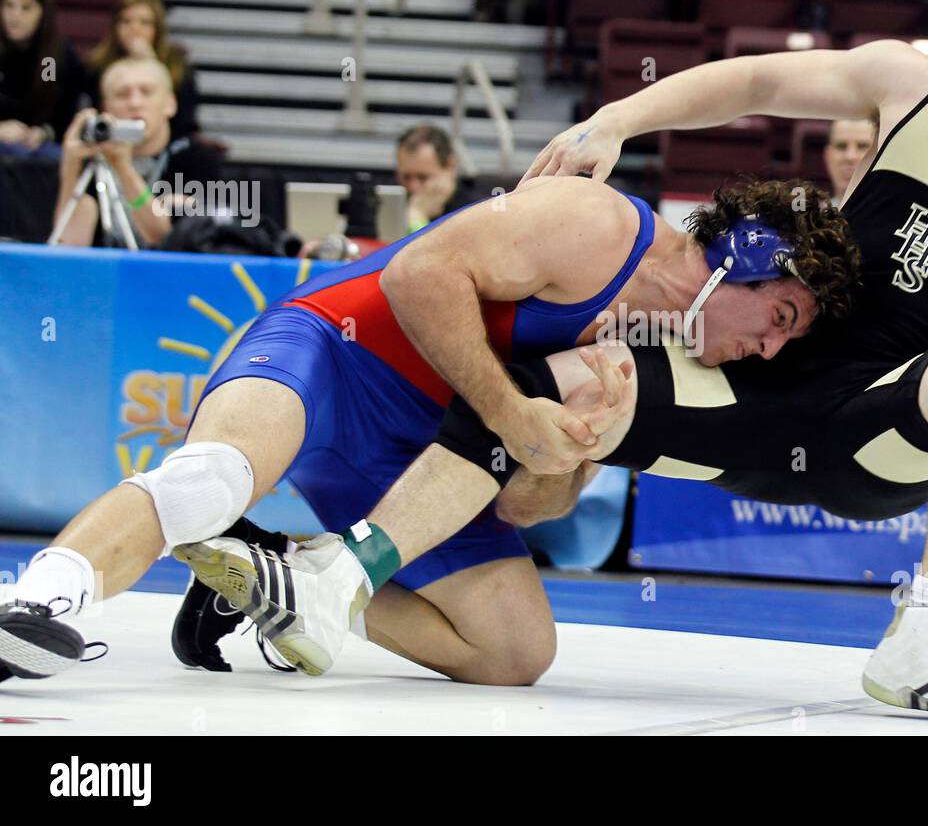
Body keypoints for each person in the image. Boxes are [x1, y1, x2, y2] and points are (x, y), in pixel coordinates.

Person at [205, 0, 928, 729]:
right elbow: (757, 77)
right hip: (762, 383)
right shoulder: (915, 84)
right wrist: (616, 118)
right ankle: (332, 576)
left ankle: (927, 635)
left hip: (880, 429)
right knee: (537, 382)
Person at [0, 176, 858, 685]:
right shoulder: (600, 227)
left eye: (788, 339)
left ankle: (271, 570)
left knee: (516, 651)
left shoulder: (662, 358)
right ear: (745, 255)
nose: (770, 347)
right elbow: (420, 271)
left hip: (410, 446)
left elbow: (527, 508)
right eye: (780, 315)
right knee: (211, 477)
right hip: (333, 352)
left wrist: (567, 456)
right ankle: (42, 599)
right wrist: (511, 411)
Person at [52, 56, 225, 247]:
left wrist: (123, 168)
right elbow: (68, 245)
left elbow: (165, 237)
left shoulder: (195, 158)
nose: (134, 103)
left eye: (146, 92)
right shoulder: (93, 161)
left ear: (170, 104)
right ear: (106, 108)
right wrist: (70, 167)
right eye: (122, 94)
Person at [85, 0, 201, 139]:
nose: (135, 29)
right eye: (126, 22)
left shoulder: (177, 65)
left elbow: (185, 121)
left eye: (144, 23)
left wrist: (151, 65)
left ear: (158, 29)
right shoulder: (97, 66)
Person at [0, 0, 89, 161]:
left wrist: (44, 132)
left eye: (26, 8)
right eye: (9, 5)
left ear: (43, 13)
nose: (15, 15)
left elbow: (64, 108)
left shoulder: (53, 59)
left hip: (38, 144)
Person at [396, 124, 475, 233]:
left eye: (423, 177)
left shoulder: (475, 212)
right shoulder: (387, 206)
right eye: (406, 177)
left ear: (450, 166)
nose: (413, 187)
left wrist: (417, 216)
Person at [823, 118, 877, 206]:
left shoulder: (902, 216)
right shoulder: (807, 218)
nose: (850, 156)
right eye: (841, 146)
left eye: (862, 146)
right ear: (828, 157)